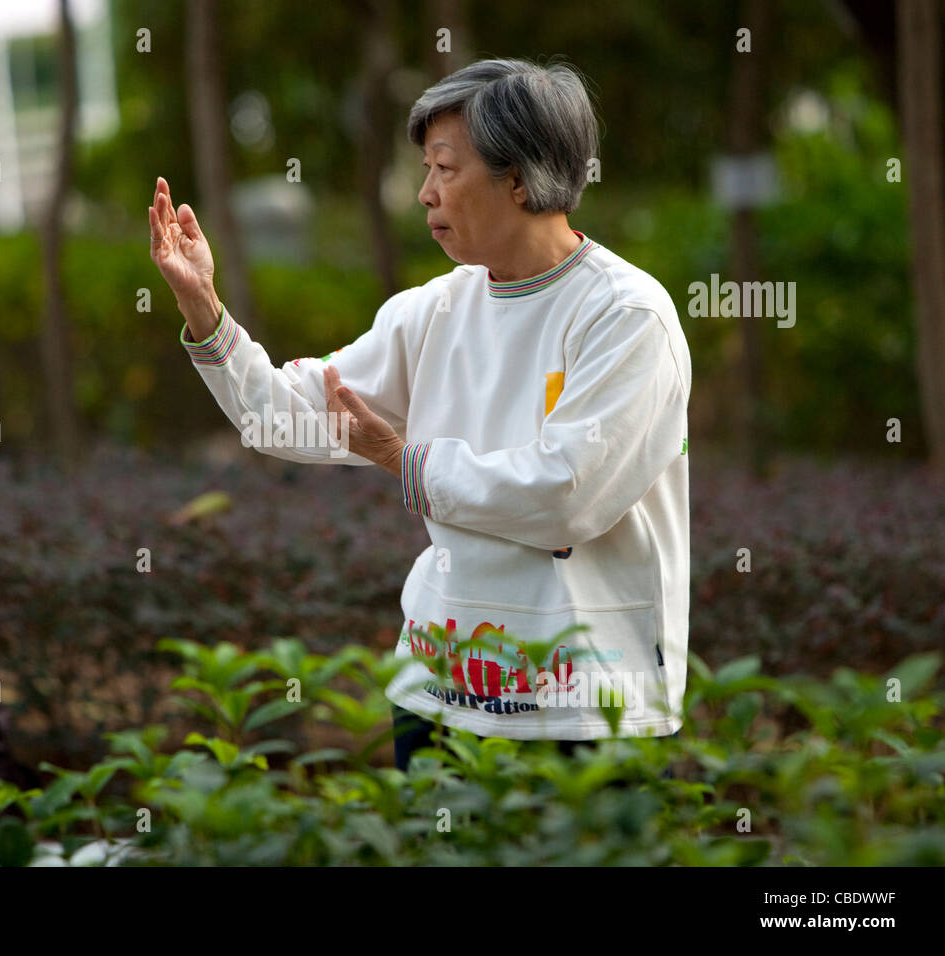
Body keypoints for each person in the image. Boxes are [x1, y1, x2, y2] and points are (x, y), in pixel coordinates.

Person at [149, 57, 691, 777]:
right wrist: (204, 312)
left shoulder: (625, 315)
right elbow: (282, 418)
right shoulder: (431, 311)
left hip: (582, 703)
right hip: (439, 693)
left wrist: (406, 461)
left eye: (445, 168)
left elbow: (566, 494)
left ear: (522, 178)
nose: (424, 193)